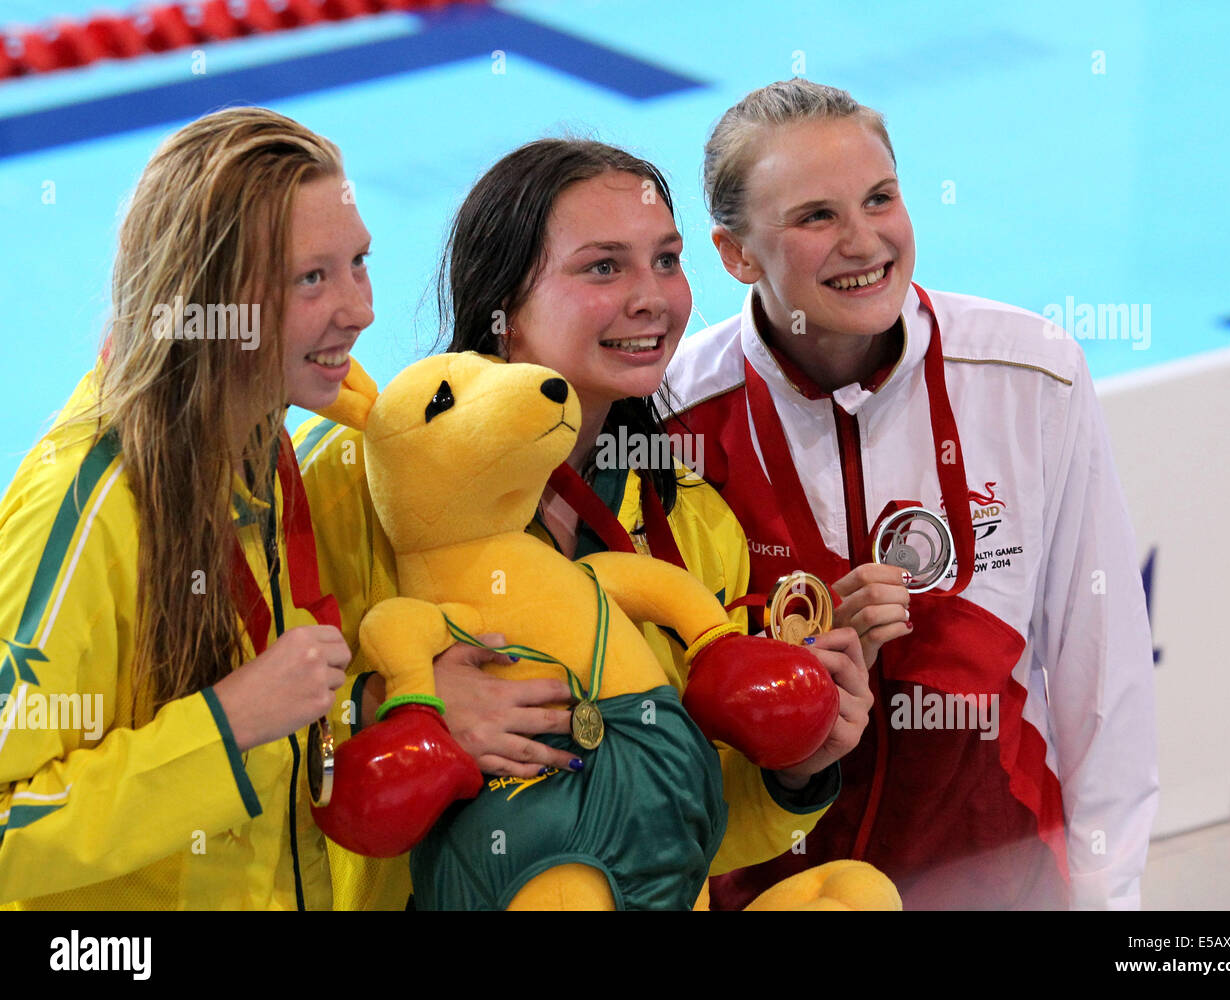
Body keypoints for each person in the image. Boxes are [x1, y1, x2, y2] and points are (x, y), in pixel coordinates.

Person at [295, 138, 883, 908]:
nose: (653, 298)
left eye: (666, 261)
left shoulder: (690, 520)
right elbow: (250, 743)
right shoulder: (354, 481)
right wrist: (384, 704)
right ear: (503, 307)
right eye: (604, 267)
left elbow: (673, 827)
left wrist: (798, 760)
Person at [663, 79, 1159, 910]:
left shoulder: (1028, 376)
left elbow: (1100, 675)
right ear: (736, 254)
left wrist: (1111, 903)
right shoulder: (677, 418)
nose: (865, 241)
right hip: (777, 895)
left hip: (1004, 883)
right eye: (817, 217)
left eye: (880, 198)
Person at [0, 107, 375, 909]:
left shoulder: (259, 452)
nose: (359, 309)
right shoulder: (90, 508)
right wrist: (224, 727)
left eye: (358, 264)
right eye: (313, 277)